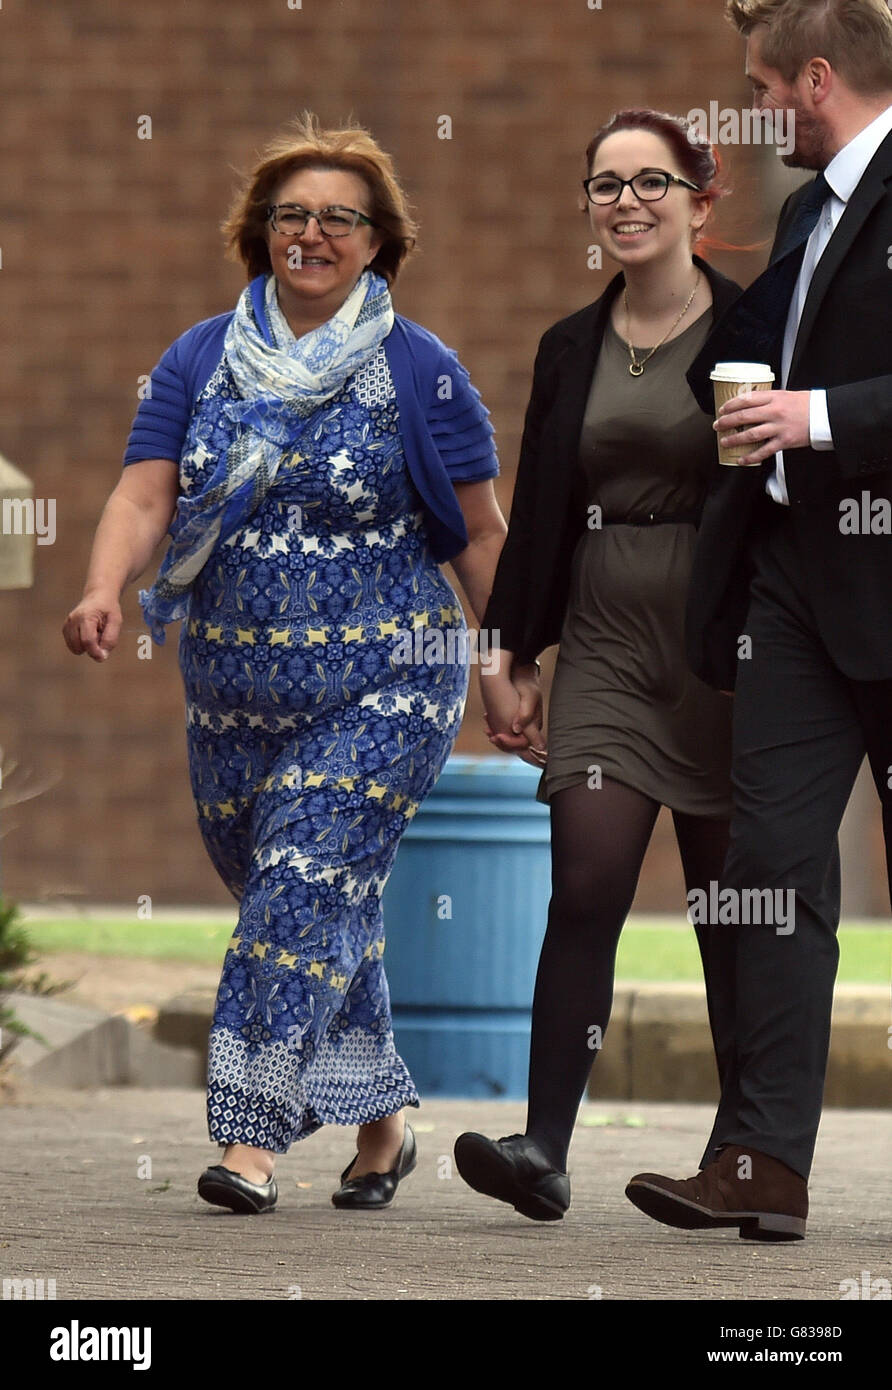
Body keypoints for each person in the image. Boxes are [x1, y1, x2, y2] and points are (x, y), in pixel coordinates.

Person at [63, 113, 506, 1215]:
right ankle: (385, 1126)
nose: (311, 234)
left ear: (377, 242)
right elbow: (144, 492)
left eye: (338, 219)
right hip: (230, 695)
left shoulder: (421, 369)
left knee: (298, 889)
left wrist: (505, 664)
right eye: (290, 215)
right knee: (305, 899)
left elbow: (481, 534)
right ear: (259, 231)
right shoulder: (200, 355)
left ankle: (250, 1141)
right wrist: (103, 585)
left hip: (388, 683)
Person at [626, 0, 892, 1242]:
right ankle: (760, 1162)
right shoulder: (804, 212)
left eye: (760, 87)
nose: (752, 107)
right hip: (788, 585)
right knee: (771, 875)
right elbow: (742, 362)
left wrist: (817, 419)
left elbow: (826, 395)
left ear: (817, 77)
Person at [452, 109, 744, 1221]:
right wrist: (508, 649)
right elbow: (537, 519)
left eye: (649, 183)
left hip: (728, 642)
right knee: (584, 883)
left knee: (731, 908)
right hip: (609, 640)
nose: (625, 202)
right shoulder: (570, 344)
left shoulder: (757, 323)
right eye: (604, 185)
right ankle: (543, 1146)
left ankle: (743, 1149)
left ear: (699, 201)